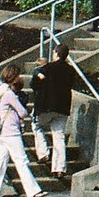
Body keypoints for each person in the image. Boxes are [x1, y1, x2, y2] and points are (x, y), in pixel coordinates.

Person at [0, 65, 45, 197]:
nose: (20, 77)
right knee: (21, 160)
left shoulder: (0, 91)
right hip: (11, 131)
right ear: (13, 76)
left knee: (0, 162)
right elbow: (22, 111)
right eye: (18, 75)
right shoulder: (9, 94)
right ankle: (33, 191)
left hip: (3, 132)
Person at [30, 44, 75, 180]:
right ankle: (59, 168)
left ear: (55, 53)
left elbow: (34, 84)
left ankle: (43, 153)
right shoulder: (70, 70)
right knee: (59, 136)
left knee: (36, 125)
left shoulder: (47, 68)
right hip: (63, 107)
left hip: (46, 106)